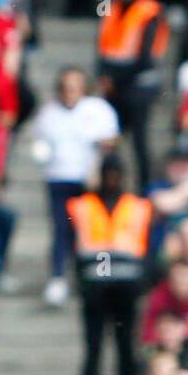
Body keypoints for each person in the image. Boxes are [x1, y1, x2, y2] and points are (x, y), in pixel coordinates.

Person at [67, 155, 152, 375]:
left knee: (126, 347)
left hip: (125, 286)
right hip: (95, 287)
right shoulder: (84, 205)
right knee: (93, 346)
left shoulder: (136, 206)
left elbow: (143, 248)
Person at [30, 66, 119, 307]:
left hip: (88, 179)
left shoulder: (97, 110)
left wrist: (97, 168)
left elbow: (110, 141)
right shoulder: (49, 113)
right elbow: (39, 143)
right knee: (61, 228)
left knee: (90, 230)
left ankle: (91, 275)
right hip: (58, 177)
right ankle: (58, 277)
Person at [97, 0, 169, 192]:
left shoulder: (150, 12)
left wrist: (115, 79)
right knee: (111, 139)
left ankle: (144, 187)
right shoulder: (112, 7)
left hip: (139, 83)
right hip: (115, 83)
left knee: (139, 139)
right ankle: (110, 185)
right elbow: (103, 45)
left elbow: (145, 56)